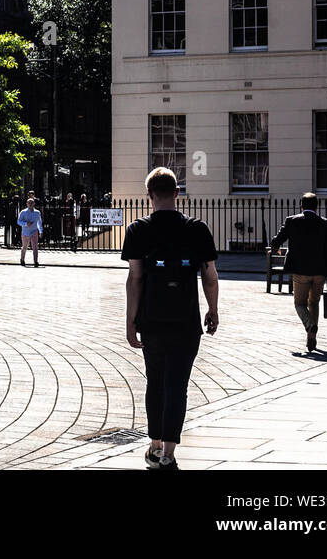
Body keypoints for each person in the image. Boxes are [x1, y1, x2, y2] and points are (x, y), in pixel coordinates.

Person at [123, 167, 219, 471]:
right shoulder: (197, 228)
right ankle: (169, 451)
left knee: (156, 381)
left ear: (149, 195)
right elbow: (210, 276)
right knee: (178, 385)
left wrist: (130, 321)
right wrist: (213, 310)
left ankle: (153, 444)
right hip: (186, 321)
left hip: (151, 320)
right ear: (178, 193)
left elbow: (135, 279)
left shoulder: (138, 230)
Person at [272, 192, 327, 353]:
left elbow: (277, 240)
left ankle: (310, 326)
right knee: (314, 303)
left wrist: (276, 247)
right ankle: (311, 338)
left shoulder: (292, 221)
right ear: (317, 206)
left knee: (299, 303)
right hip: (320, 271)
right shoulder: (326, 224)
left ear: (301, 206)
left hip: (300, 271)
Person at [16, 196, 43, 266]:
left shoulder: (37, 212)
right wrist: (25, 223)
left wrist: (41, 231)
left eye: (32, 202)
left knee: (35, 247)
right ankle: (22, 259)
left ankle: (35, 261)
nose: (30, 204)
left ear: (34, 203)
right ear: (27, 204)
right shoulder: (23, 212)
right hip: (25, 232)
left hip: (34, 232)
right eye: (29, 203)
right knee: (24, 247)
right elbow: (18, 221)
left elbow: (39, 222)